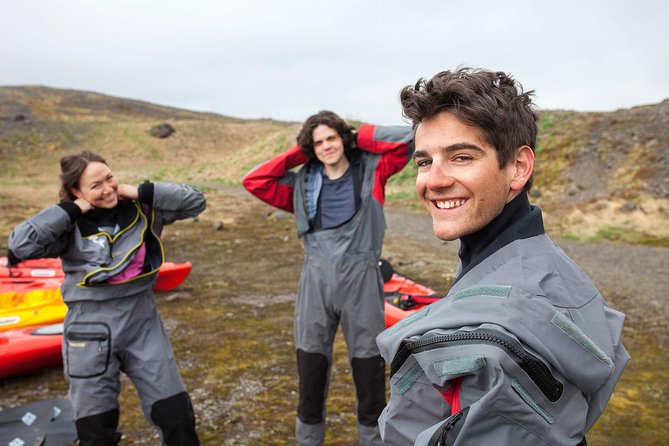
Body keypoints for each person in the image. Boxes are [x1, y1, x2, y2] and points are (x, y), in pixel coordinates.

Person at [376, 68, 630, 445]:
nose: (433, 180)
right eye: (424, 161)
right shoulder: (545, 264)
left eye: (461, 157)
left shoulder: (497, 340)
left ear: (518, 168)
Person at [7, 151, 205, 446]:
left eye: (110, 178)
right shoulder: (68, 225)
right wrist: (71, 210)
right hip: (88, 330)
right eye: (95, 185)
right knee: (95, 429)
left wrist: (139, 191)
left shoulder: (144, 210)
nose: (108, 188)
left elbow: (195, 202)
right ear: (77, 191)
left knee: (177, 416)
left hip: (142, 322)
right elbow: (21, 244)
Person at [242, 111, 413, 446]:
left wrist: (356, 135)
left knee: (370, 377)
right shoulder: (302, 184)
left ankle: (374, 441)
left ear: (342, 139)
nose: (326, 146)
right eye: (318, 142)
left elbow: (410, 139)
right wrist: (299, 152)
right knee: (310, 373)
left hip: (361, 280)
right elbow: (255, 181)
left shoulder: (372, 170)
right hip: (314, 283)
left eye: (331, 138)